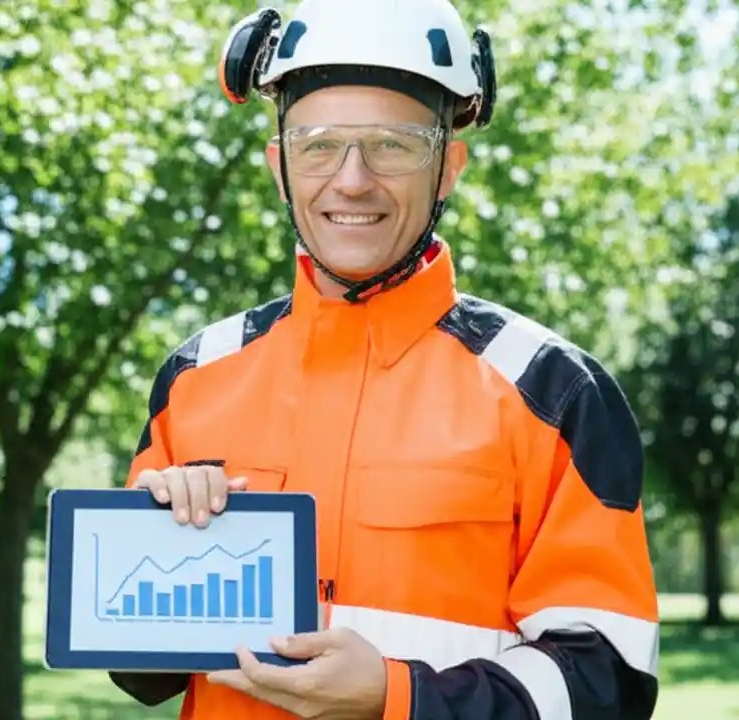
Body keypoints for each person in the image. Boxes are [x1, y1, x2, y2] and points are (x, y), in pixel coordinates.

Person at [107, 0, 661, 718]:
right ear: (280, 167)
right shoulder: (194, 376)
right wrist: (143, 554)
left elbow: (606, 681)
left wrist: (396, 696)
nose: (352, 180)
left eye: (393, 144)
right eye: (318, 144)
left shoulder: (552, 392)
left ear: (448, 166)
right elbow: (135, 669)